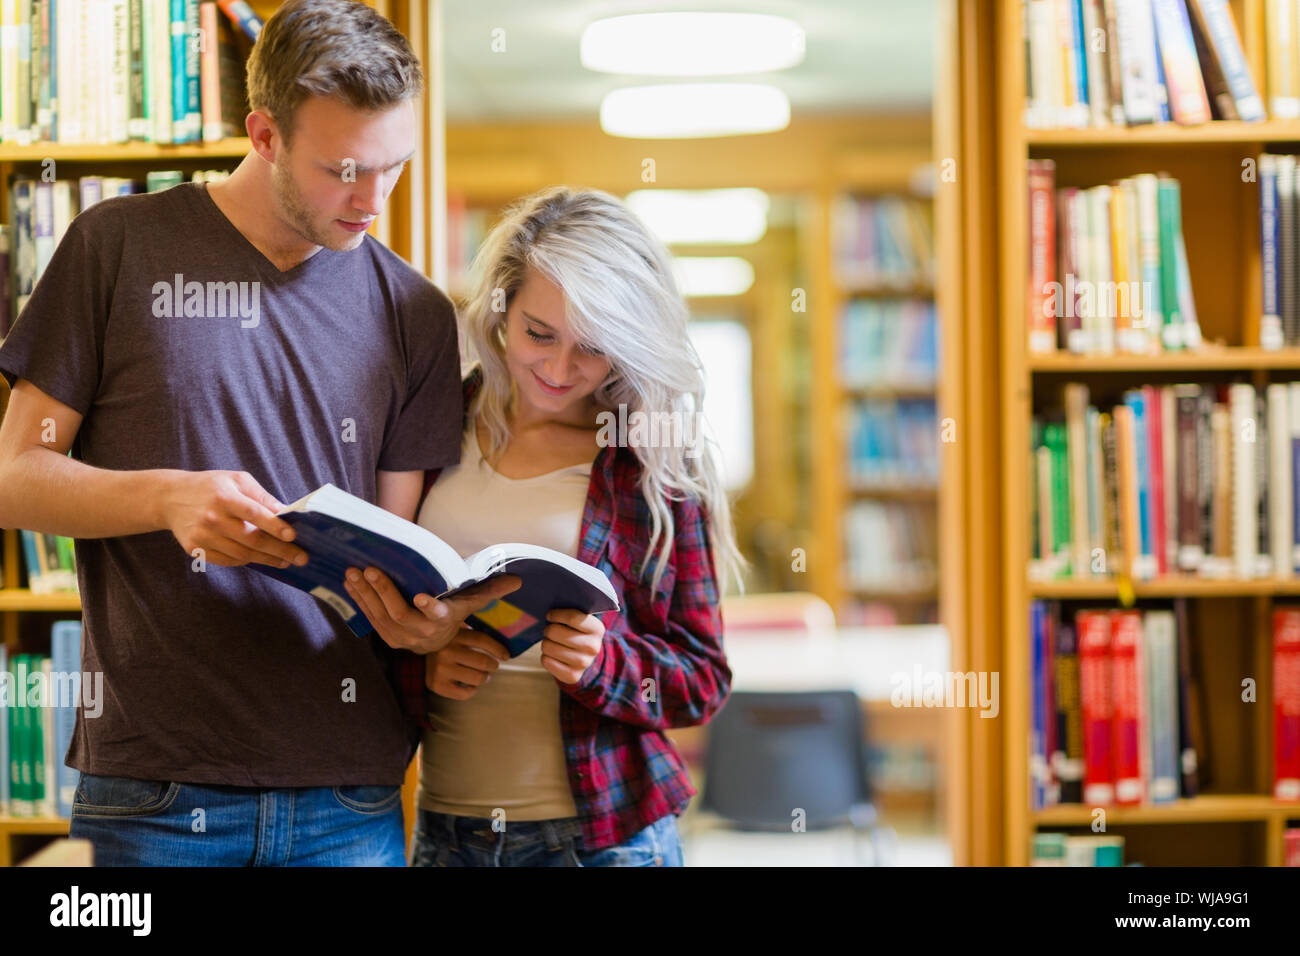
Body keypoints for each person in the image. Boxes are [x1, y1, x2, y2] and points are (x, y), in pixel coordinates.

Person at [0, 0, 514, 866]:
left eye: (394, 168)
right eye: (345, 169)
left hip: (350, 795)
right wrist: (165, 498)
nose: (373, 201)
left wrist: (425, 625)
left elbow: (400, 549)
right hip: (154, 791)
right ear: (265, 133)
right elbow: (15, 475)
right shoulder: (114, 249)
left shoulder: (418, 314)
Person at [344, 186, 742, 866]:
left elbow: (703, 679)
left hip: (605, 843)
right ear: (500, 308)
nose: (560, 371)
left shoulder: (652, 457)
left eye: (594, 348)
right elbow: (370, 621)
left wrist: (605, 664)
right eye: (539, 334)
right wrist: (427, 660)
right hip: (445, 833)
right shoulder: (435, 418)